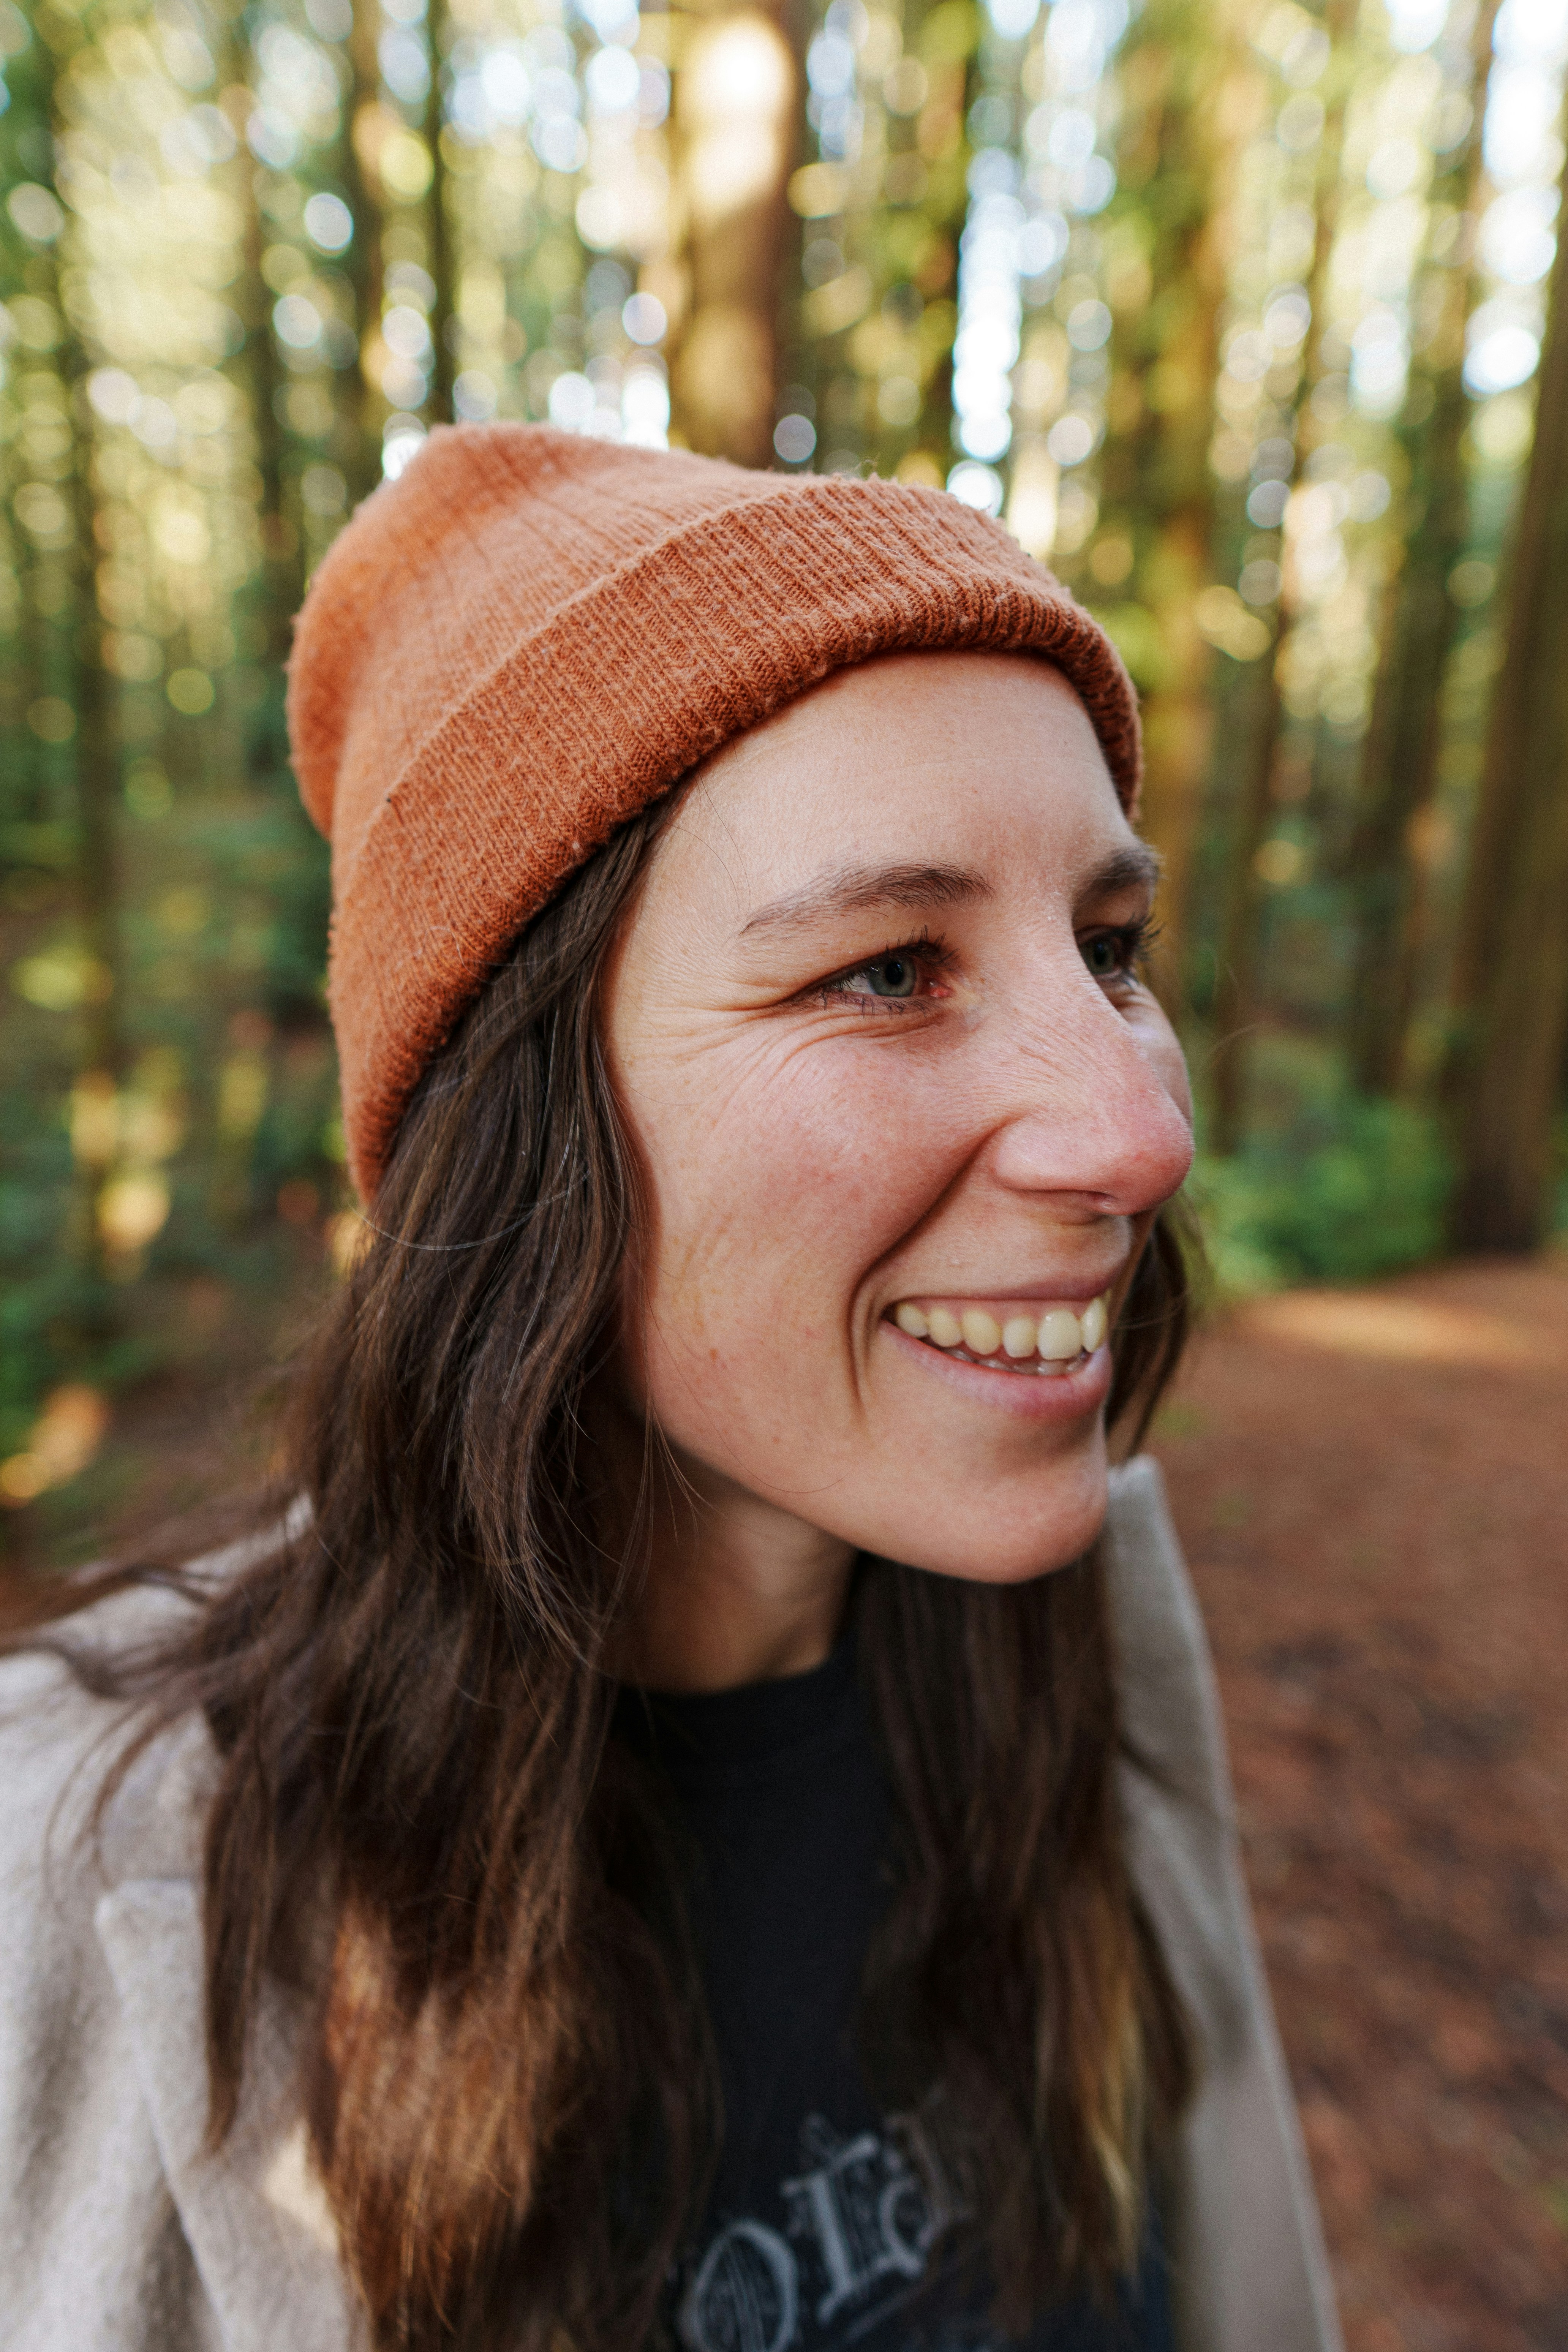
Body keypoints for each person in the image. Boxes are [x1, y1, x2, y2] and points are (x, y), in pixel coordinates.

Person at [0, 430, 1342, 2352]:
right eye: (890, 970)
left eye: (1111, 949)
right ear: (517, 1126)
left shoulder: (1093, 1640)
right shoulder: (56, 1878)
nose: (1136, 1130)